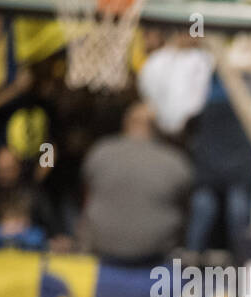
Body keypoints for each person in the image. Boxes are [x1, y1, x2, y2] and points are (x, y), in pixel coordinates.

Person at [79, 102, 192, 267]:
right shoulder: (176, 162)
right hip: (154, 262)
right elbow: (186, 212)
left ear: (126, 123)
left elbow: (87, 200)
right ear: (158, 128)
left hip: (101, 258)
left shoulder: (100, 153)